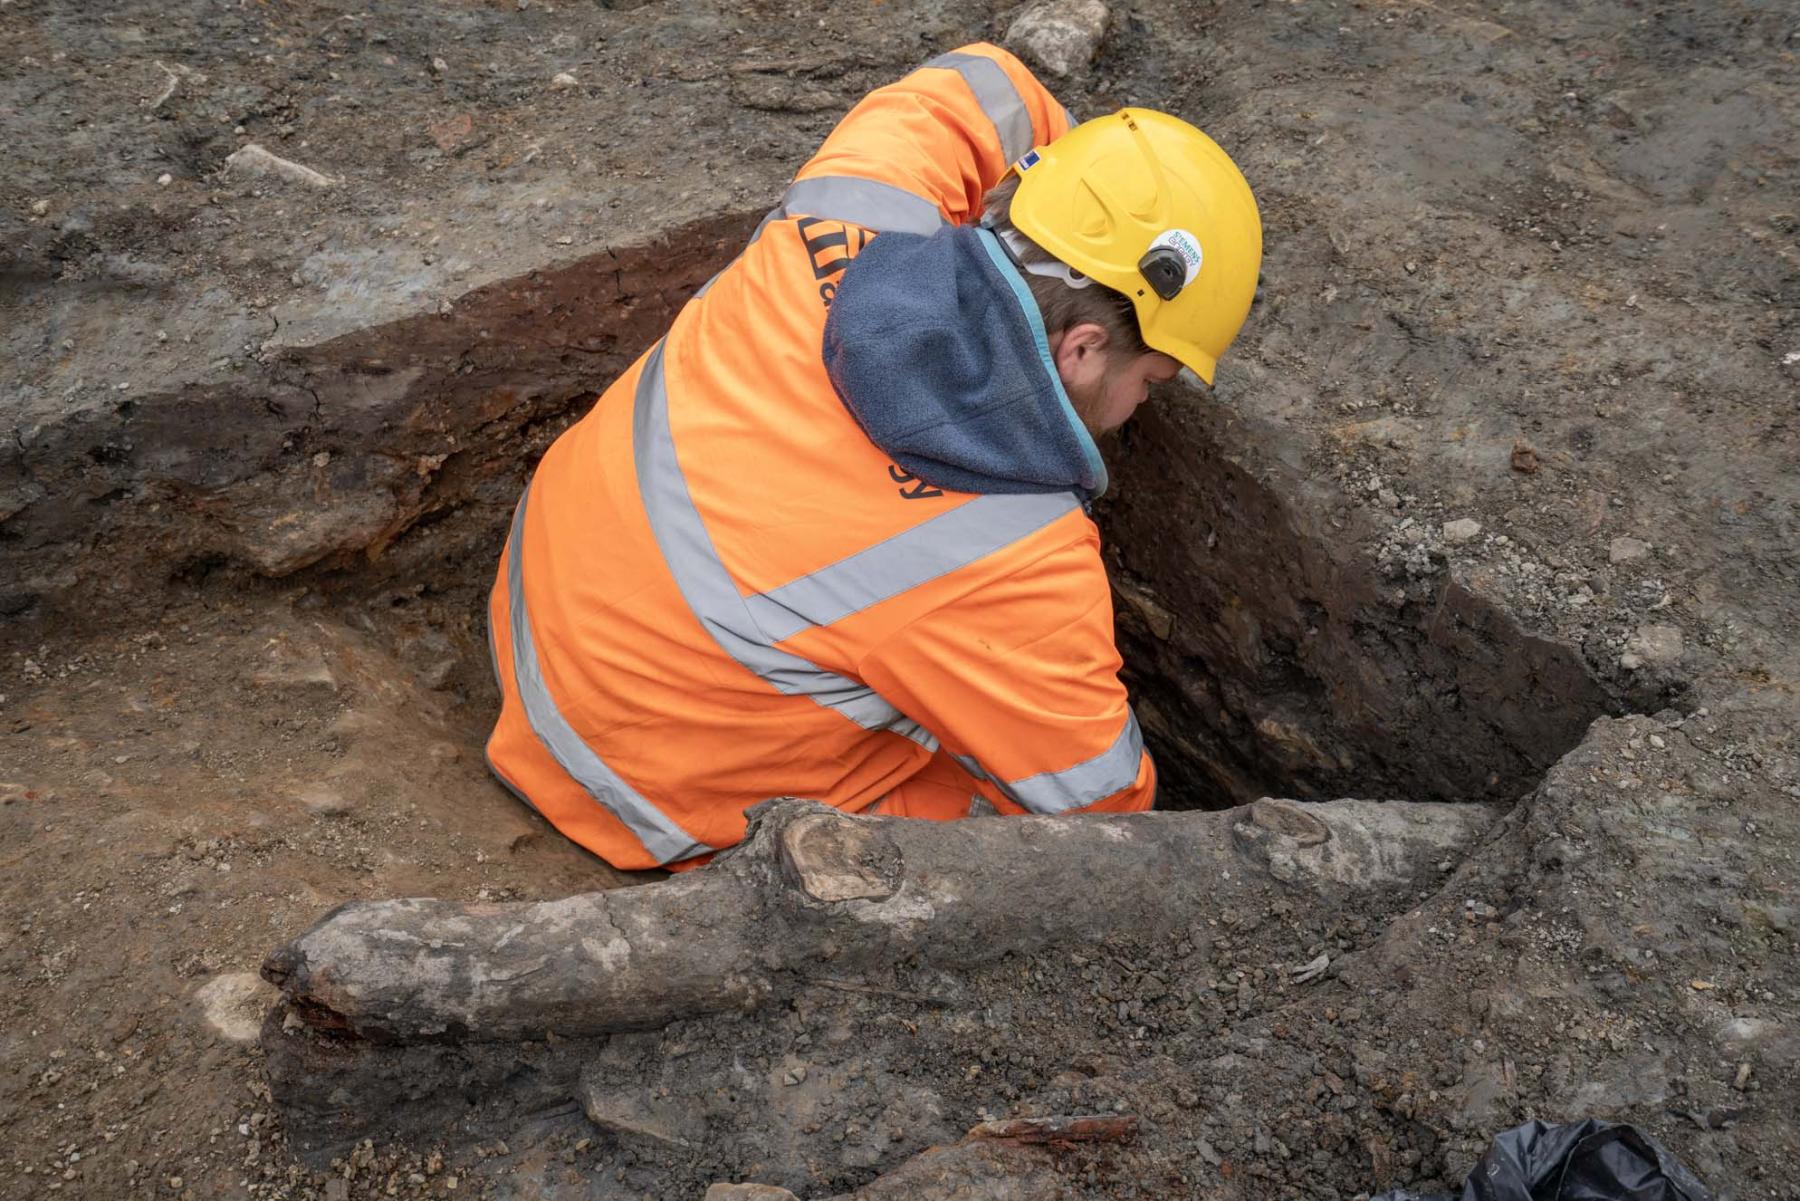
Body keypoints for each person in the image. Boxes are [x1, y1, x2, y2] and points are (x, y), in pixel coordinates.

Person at [484, 42, 1262, 870]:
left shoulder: (852, 211)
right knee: (1001, 837)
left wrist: (1084, 188)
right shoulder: (1017, 565)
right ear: (1080, 350)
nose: (1146, 404)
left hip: (535, 617)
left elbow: (984, 82)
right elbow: (1107, 815)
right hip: (639, 791)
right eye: (1153, 379)